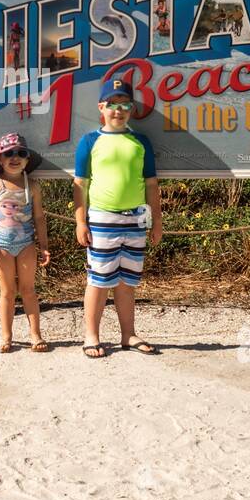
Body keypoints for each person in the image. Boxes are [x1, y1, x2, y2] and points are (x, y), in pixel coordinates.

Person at [73, 78, 162, 358]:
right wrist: (80, 221)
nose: (118, 110)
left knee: (127, 282)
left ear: (131, 109)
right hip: (101, 218)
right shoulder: (90, 141)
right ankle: (91, 336)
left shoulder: (141, 142)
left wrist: (156, 221)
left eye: (125, 105)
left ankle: (128, 335)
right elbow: (80, 184)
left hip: (136, 220)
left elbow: (151, 185)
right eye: (113, 105)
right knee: (99, 280)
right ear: (102, 107)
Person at [0, 133, 51, 353]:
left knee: (28, 290)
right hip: (1, 247)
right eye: (8, 154)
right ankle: (6, 335)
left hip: (26, 245)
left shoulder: (31, 185)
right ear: (0, 159)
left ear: (27, 159)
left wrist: (43, 245)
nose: (15, 158)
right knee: (6, 291)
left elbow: (40, 217)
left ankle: (35, 334)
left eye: (21, 153)